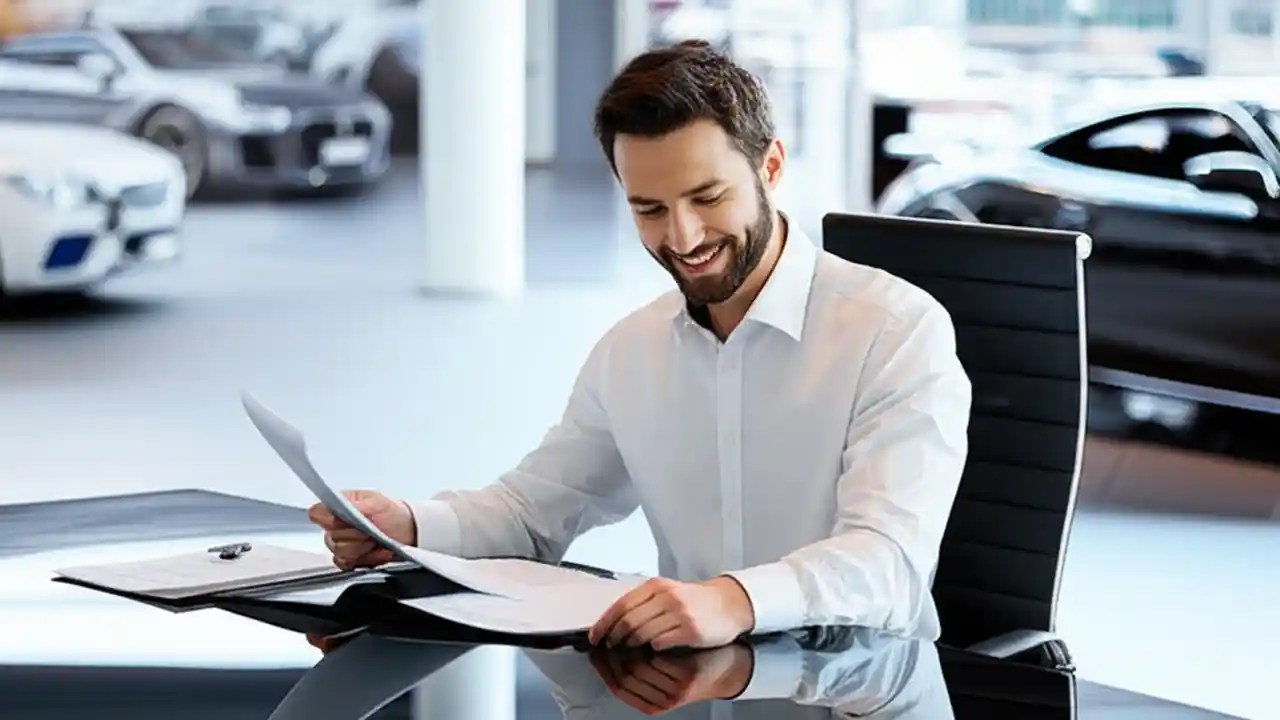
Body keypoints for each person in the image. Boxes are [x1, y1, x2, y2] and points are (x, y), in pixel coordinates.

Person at [309, 39, 971, 652]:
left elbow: (888, 563)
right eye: (648, 209)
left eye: (707, 197)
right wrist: (409, 526)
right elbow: (533, 512)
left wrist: (735, 599)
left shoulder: (896, 332)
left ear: (770, 166)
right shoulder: (634, 350)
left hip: (866, 686)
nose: (682, 238)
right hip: (691, 679)